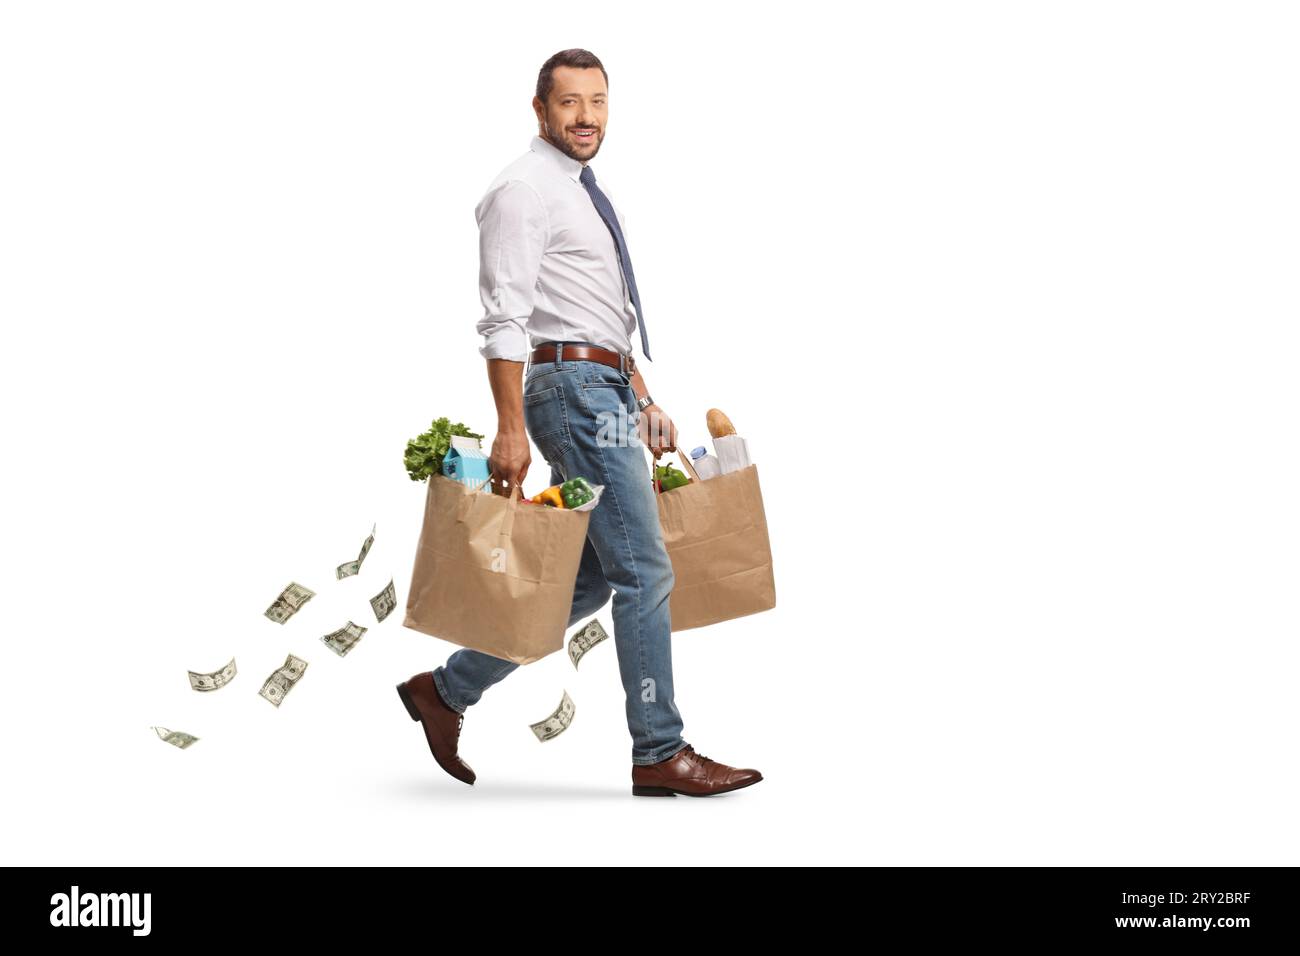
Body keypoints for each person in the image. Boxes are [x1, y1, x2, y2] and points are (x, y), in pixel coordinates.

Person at [396, 49, 762, 797]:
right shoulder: (523, 190)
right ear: (540, 110)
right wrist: (509, 428)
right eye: (570, 103)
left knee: (593, 577)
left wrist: (643, 397)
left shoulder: (576, 190)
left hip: (606, 386)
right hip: (570, 390)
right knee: (646, 567)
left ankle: (445, 690)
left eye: (598, 101)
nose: (587, 116)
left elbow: (599, 316)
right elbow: (504, 319)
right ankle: (660, 750)